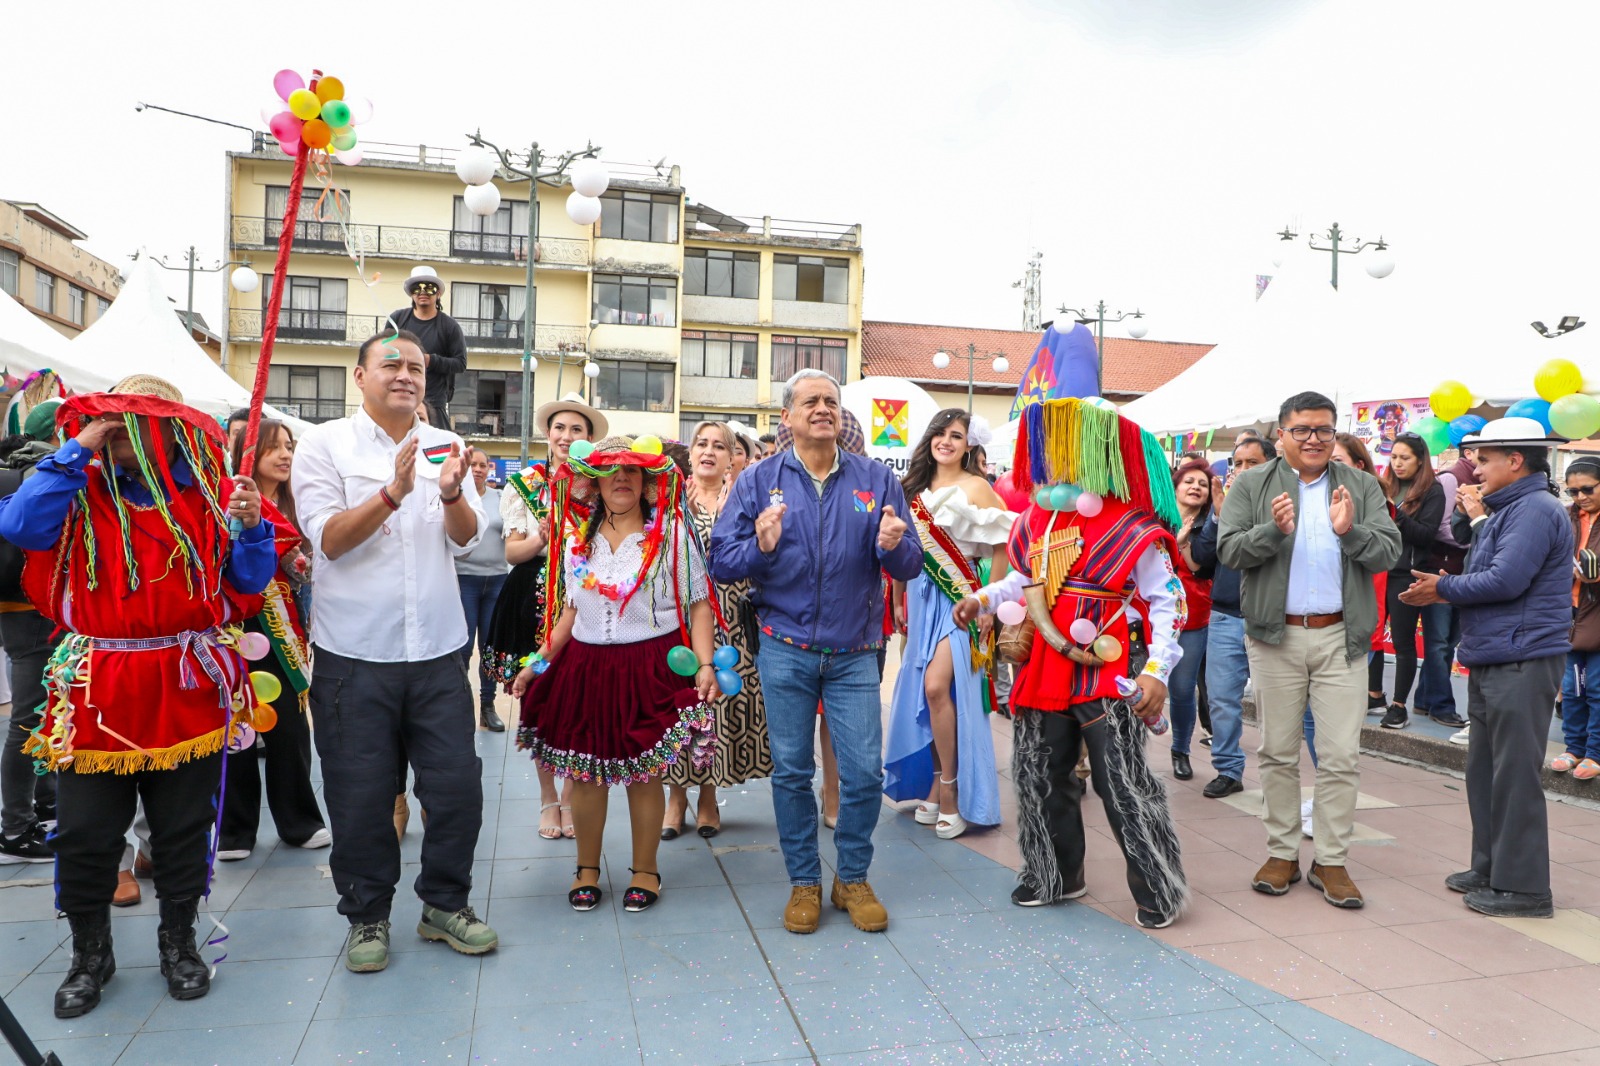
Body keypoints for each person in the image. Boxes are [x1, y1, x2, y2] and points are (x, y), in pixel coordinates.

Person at [0, 375, 276, 1018]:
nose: (129, 433)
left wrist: (252, 527)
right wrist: (83, 443)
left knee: (183, 828)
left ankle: (179, 941)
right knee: (86, 832)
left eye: (142, 422)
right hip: (97, 685)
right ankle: (89, 953)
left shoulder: (208, 495)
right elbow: (20, 526)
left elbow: (248, 582)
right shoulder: (75, 485)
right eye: (118, 421)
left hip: (186, 678)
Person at [291, 330, 497, 974]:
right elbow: (328, 539)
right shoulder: (325, 445)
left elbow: (465, 543)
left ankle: (444, 904)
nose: (406, 375)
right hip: (355, 655)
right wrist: (392, 492)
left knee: (458, 790)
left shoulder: (447, 446)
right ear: (360, 376)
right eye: (391, 365)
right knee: (360, 797)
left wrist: (452, 493)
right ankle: (367, 915)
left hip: (437, 652)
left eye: (415, 366)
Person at [954, 397, 1190, 928]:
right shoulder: (1038, 516)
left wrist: (1155, 671)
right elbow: (1025, 580)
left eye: (1065, 447)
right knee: (1040, 773)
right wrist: (985, 599)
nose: (1051, 458)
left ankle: (1159, 886)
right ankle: (1054, 872)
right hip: (1046, 662)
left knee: (1122, 781)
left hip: (1108, 663)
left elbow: (1168, 599)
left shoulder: (1133, 525)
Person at [711, 369, 922, 935]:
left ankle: (851, 875)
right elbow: (721, 561)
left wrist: (895, 547)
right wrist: (759, 544)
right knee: (791, 773)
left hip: (856, 651)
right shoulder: (758, 480)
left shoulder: (877, 479)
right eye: (810, 402)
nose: (822, 409)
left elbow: (910, 564)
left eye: (831, 401)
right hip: (785, 647)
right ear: (787, 417)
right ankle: (804, 882)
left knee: (862, 777)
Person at [512, 436, 718, 912]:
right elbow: (569, 612)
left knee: (645, 775)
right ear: (595, 482)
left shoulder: (670, 533)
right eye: (611, 472)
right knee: (586, 776)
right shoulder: (575, 538)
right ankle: (586, 869)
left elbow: (699, 603)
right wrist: (537, 663)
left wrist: (705, 664)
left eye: (632, 471)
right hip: (586, 667)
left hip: (649, 665)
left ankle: (645, 870)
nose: (622, 479)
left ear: (646, 482)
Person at [1217, 391, 1400, 909]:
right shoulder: (1252, 483)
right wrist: (1272, 532)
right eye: (1302, 430)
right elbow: (1229, 551)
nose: (1314, 439)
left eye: (1323, 429)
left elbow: (1389, 550)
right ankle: (1281, 852)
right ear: (1283, 435)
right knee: (1277, 751)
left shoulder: (1360, 485)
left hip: (1342, 638)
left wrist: (1351, 532)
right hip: (1276, 637)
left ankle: (1332, 860)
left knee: (1341, 755)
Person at [1400, 417, 1572, 918]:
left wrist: (1442, 588)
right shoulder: (1512, 509)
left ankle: (1524, 889)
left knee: (1514, 775)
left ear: (1515, 461)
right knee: (1486, 772)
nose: (1474, 468)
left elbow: (1505, 580)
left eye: (1484, 459)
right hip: (1499, 655)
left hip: (1523, 658)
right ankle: (1490, 866)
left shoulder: (1535, 510)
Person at [883, 409, 1010, 840]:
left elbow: (1002, 545)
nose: (946, 441)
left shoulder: (979, 487)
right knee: (929, 695)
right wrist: (899, 598)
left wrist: (989, 601)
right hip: (919, 599)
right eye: (940, 432)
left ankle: (952, 791)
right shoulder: (912, 488)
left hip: (961, 602)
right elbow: (902, 550)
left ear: (969, 444)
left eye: (956, 435)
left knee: (938, 687)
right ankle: (937, 782)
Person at [484, 393, 604, 840]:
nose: (566, 436)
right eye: (559, 428)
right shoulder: (527, 484)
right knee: (538, 702)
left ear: (587, 439)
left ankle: (572, 798)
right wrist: (541, 540)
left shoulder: (599, 486)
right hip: (533, 601)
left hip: (586, 603)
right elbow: (512, 553)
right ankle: (547, 798)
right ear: (547, 434)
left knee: (581, 701)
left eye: (576, 430)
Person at [218, 419, 330, 860]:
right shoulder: (230, 500)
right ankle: (235, 829)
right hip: (238, 627)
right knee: (238, 724)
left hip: (289, 628)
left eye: (288, 446)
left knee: (288, 725)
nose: (285, 455)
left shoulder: (300, 502)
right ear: (249, 452)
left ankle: (299, 821)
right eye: (273, 447)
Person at [663, 421, 773, 839]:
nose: (709, 451)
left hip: (733, 622)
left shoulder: (744, 501)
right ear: (690, 453)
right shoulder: (671, 500)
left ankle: (707, 797)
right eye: (701, 444)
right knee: (680, 708)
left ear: (732, 459)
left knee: (716, 711)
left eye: (719, 446)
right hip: (679, 620)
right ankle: (676, 798)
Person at [0, 400, 64, 865]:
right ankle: (14, 828)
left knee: (40, 712)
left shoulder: (18, 469)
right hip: (31, 611)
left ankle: (43, 804)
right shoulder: (43, 473)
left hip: (19, 609)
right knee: (28, 717)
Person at [1192, 435, 1273, 800]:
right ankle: (1228, 769)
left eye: (1250, 463)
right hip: (1224, 615)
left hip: (1269, 616)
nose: (1240, 471)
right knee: (1222, 699)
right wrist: (1216, 518)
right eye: (1236, 463)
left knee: (1276, 703)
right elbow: (1201, 559)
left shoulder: (1283, 503)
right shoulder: (1222, 504)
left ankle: (1278, 774)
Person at [1372, 432, 1445, 731]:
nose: (1398, 464)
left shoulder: (1433, 490)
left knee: (1402, 641)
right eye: (1394, 457)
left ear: (1420, 460)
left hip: (1406, 573)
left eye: (1405, 458)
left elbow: (1427, 536)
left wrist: (1395, 513)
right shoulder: (1384, 484)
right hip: (1377, 570)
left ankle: (1399, 706)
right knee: (1371, 636)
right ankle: (1372, 694)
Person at [1420, 446, 1480, 735]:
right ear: (1470, 452)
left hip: (1464, 574)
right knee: (1439, 643)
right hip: (1440, 570)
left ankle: (1423, 699)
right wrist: (1479, 541)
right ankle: (1441, 706)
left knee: (1447, 642)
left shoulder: (1482, 480)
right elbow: (1442, 527)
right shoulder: (1450, 479)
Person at [455, 448, 509, 732]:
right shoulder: (455, 499)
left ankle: (488, 706)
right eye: (472, 464)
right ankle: (460, 706)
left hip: (498, 581)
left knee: (490, 647)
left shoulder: (501, 499)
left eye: (483, 465)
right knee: (463, 648)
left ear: (490, 469)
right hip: (465, 580)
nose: (477, 469)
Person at [1168, 458, 1215, 782]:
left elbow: (1198, 566)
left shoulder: (1211, 524)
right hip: (1150, 614)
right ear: (1175, 486)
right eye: (1189, 481)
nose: (1196, 487)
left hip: (1194, 614)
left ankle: (1180, 749)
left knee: (1183, 689)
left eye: (1202, 483)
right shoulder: (1158, 518)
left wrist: (1182, 540)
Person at [1555, 457, 1600, 779]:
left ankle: (1594, 753)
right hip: (1569, 612)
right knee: (1572, 687)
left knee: (1596, 687)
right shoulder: (1567, 516)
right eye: (1573, 491)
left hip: (1595, 611)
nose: (1580, 497)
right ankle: (1574, 747)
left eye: (1587, 489)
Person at [389, 266, 467, 427]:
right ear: (411, 293)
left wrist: (430, 360)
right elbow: (385, 353)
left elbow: (460, 363)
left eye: (429, 288)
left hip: (434, 403)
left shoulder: (449, 326)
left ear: (438, 293)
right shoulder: (397, 319)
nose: (423, 292)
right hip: (401, 397)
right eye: (417, 287)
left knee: (438, 449)